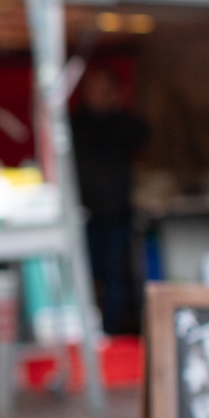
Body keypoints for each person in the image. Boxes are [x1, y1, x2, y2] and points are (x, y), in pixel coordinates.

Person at [70, 68, 148, 333]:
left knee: (115, 278)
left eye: (105, 90)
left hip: (116, 214)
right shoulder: (75, 124)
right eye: (94, 89)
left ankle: (113, 334)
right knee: (81, 278)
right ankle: (86, 334)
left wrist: (117, 105)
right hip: (82, 214)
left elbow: (142, 134)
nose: (98, 95)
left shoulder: (122, 123)